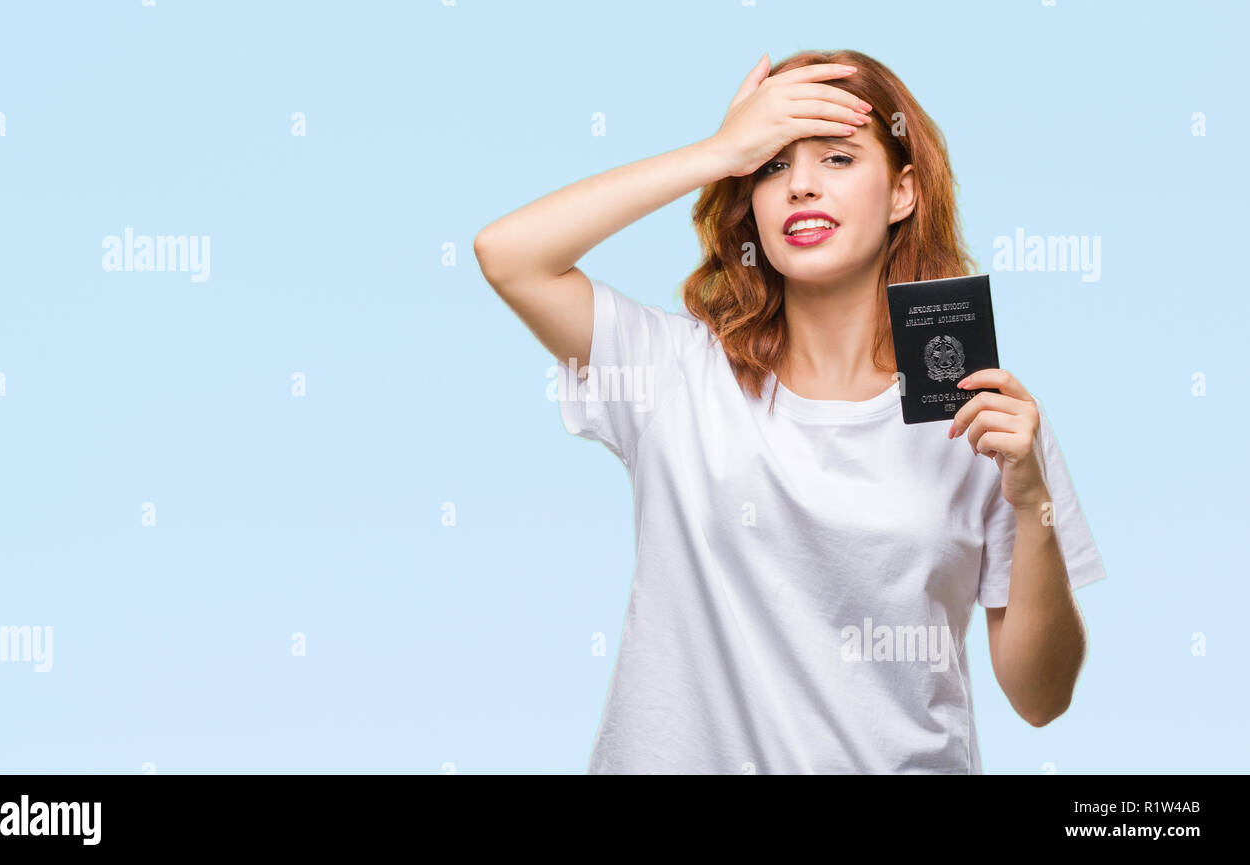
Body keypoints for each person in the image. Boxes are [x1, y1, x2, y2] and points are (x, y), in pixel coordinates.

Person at [474, 49, 1107, 774]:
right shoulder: (672, 373)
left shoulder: (983, 413)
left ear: (902, 192)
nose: (801, 185)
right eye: (773, 164)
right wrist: (718, 151)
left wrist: (1033, 504)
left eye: (837, 159)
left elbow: (1040, 697)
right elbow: (508, 254)